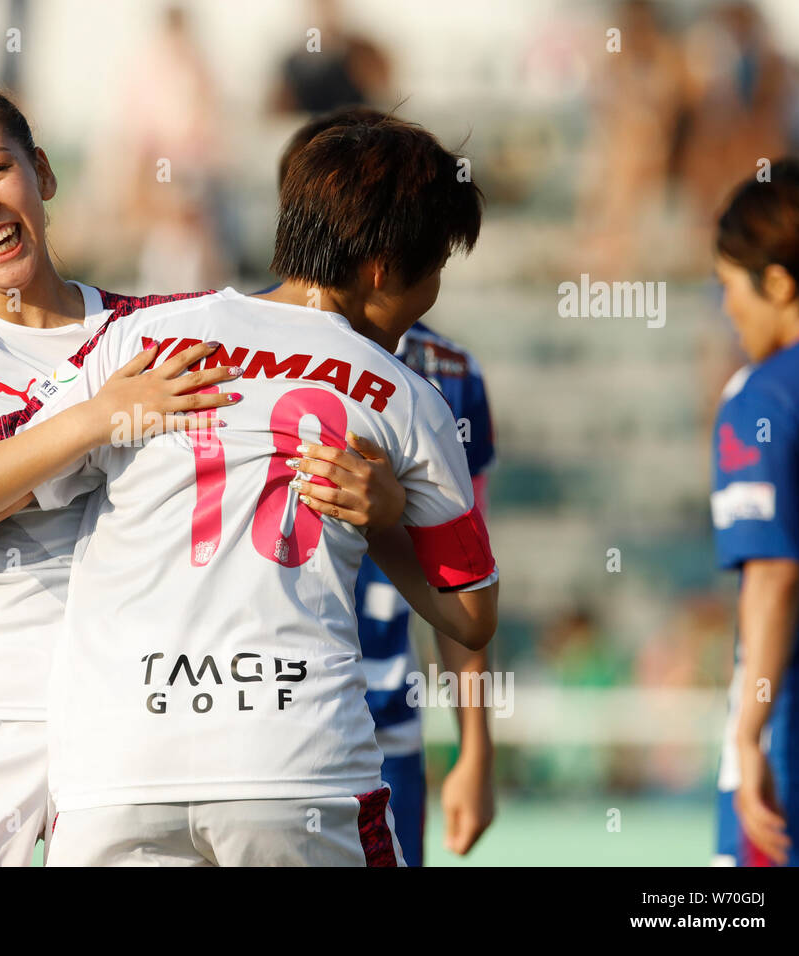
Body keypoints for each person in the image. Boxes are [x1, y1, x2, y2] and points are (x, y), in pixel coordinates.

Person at [0, 57, 423, 867]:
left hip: (139, 718)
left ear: (41, 173)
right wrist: (97, 418)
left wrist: (387, 505)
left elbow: (286, 442)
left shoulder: (157, 328)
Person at [14, 118, 497, 866]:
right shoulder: (408, 397)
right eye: (434, 267)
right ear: (380, 267)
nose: (431, 296)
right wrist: (386, 519)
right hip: (299, 771)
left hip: (114, 773)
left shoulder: (136, 339)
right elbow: (471, 614)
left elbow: (6, 484)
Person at [271, 106, 497, 865]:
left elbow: (466, 586)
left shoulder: (444, 379)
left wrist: (475, 748)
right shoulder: (221, 350)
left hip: (379, 726)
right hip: (256, 719)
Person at [709, 157, 799, 868]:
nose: (728, 309)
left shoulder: (765, 398)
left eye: (728, 287)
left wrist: (750, 733)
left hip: (797, 731)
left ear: (776, 282)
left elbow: (774, 573)